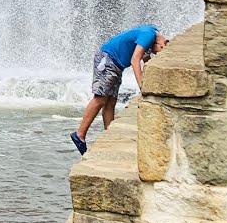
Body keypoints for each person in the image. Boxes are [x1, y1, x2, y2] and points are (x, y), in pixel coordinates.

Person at [70, 24, 168, 155]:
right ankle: (79, 135)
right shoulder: (148, 35)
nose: (155, 53)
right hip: (107, 59)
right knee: (100, 99)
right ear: (161, 44)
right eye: (157, 52)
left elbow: (146, 60)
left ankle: (110, 136)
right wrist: (142, 86)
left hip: (116, 64)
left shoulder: (151, 36)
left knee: (111, 102)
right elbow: (135, 60)